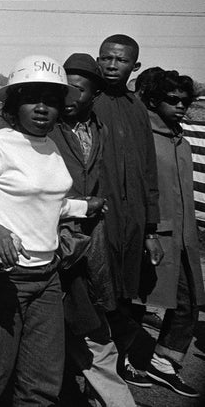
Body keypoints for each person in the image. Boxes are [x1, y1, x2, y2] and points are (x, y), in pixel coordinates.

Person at [0, 55, 105, 405]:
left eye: (51, 101)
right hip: (3, 277)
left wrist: (84, 206)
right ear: (15, 104)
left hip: (47, 277)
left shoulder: (51, 147)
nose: (42, 108)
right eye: (32, 99)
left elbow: (47, 203)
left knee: (41, 381)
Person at [49, 53, 138, 407]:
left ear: (94, 94)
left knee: (92, 322)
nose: (69, 97)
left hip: (90, 244)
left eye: (79, 90)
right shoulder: (45, 128)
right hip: (53, 240)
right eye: (64, 88)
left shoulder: (99, 129)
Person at [93, 34, 163, 385]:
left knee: (127, 292)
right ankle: (91, 368)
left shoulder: (137, 108)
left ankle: (119, 362)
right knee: (95, 291)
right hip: (99, 217)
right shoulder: (88, 100)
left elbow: (148, 169)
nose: (111, 65)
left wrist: (151, 229)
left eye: (120, 60)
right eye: (106, 58)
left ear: (134, 66)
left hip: (133, 218)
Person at [135, 70, 202, 398]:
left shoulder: (182, 142)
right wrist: (147, 232)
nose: (180, 106)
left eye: (185, 102)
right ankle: (124, 362)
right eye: (172, 100)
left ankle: (163, 362)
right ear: (153, 101)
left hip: (184, 237)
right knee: (137, 302)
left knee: (190, 301)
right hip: (153, 235)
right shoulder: (142, 137)